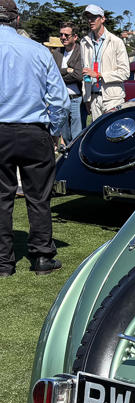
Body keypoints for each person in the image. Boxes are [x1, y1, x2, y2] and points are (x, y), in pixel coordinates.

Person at [0, 0, 69, 276]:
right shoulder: (38, 51)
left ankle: (4, 263)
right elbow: (61, 101)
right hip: (34, 130)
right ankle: (41, 257)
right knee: (38, 198)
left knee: (1, 199)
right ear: (17, 19)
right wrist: (53, 131)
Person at [81, 4, 129, 120]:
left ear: (102, 19)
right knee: (97, 136)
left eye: (93, 17)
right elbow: (85, 72)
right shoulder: (84, 42)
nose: (90, 20)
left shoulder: (116, 42)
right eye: (88, 17)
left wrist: (99, 75)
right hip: (93, 98)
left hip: (113, 99)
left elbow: (125, 73)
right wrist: (86, 98)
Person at [51, 22, 84, 145]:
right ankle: (68, 155)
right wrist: (67, 70)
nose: (63, 37)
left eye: (66, 35)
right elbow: (53, 74)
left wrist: (62, 75)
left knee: (77, 133)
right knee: (65, 133)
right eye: (61, 34)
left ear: (75, 37)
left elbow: (79, 75)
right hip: (61, 98)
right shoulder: (57, 53)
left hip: (77, 98)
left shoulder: (81, 52)